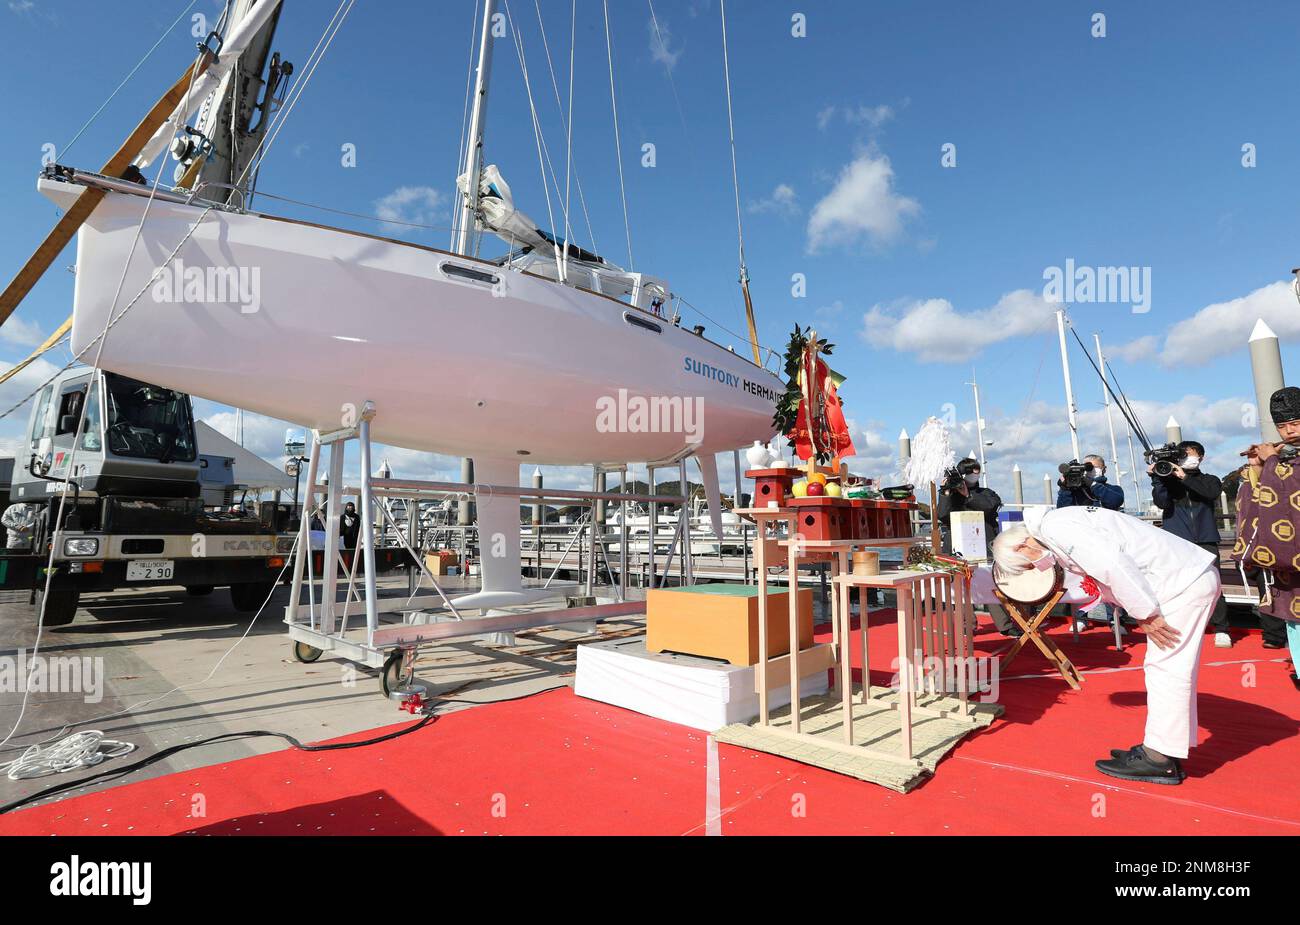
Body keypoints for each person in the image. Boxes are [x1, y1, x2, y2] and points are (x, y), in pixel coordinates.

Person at [992, 506, 1220, 784]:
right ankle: (1161, 749)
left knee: (1168, 669)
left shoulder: (1057, 527)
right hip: (1180, 580)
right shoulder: (1057, 525)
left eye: (1027, 565)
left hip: (1180, 584)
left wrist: (1146, 614)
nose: (1034, 568)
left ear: (1024, 545)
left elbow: (1112, 563)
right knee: (1166, 668)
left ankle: (1160, 758)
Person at [1234, 386, 1300, 689]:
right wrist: (1258, 467)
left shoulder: (1283, 460)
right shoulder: (1284, 457)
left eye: (1296, 423)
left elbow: (1290, 489)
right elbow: (1263, 502)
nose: (1288, 431)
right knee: (1293, 618)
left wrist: (1272, 462)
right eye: (1283, 426)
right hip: (1289, 557)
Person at [1150, 440, 1232, 649]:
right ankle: (1181, 625)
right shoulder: (1169, 480)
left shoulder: (1210, 479)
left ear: (1200, 457)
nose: (1185, 458)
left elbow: (1210, 493)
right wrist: (1158, 478)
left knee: (1213, 585)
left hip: (1206, 539)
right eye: (1182, 455)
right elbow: (1162, 503)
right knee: (1177, 585)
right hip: (1176, 540)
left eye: (1189, 454)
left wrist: (1184, 477)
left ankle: (1221, 629)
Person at [938, 458, 1019, 637]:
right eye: (970, 472)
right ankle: (966, 624)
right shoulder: (950, 495)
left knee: (992, 583)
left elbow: (990, 507)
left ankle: (1005, 624)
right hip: (957, 545)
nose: (974, 475)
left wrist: (968, 495)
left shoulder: (985, 492)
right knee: (960, 586)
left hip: (984, 543)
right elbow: (942, 515)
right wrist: (945, 493)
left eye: (976, 472)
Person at [1056, 454, 1124, 510]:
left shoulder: (1114, 489)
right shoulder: (1074, 492)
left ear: (1104, 469)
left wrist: (1093, 484)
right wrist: (1064, 488)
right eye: (1087, 468)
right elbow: (1062, 511)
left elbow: (1115, 501)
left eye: (1093, 467)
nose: (1090, 471)